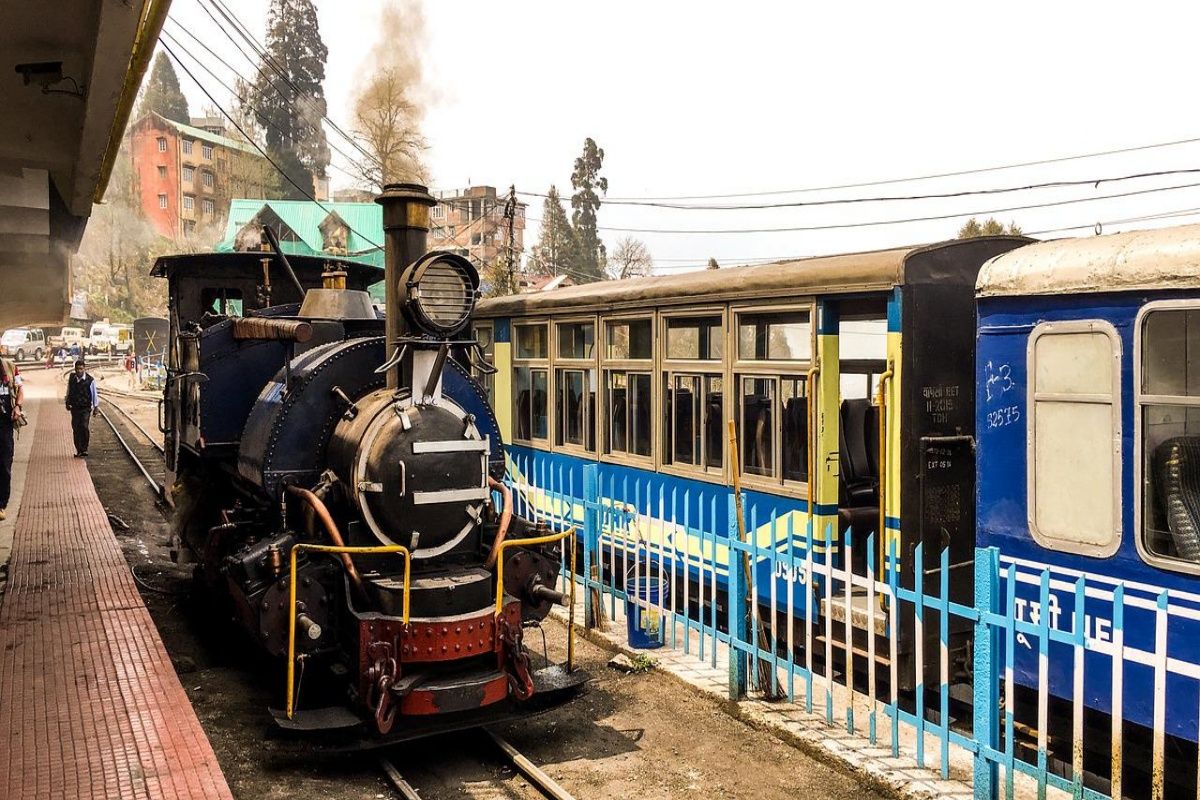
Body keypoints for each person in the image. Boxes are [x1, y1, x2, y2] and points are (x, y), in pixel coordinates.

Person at [0, 356, 24, 521]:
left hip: (4, 423)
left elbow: (20, 389)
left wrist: (17, 406)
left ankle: (1, 504)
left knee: (4, 464)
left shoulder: (10, 366)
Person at [65, 360, 98, 458]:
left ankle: (84, 448)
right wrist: (67, 402)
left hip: (85, 408)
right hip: (75, 408)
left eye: (81, 369)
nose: (79, 371)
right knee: (76, 428)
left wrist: (96, 406)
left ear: (84, 369)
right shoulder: (72, 378)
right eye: (77, 369)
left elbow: (94, 394)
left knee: (84, 426)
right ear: (75, 369)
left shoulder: (90, 380)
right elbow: (69, 390)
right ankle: (78, 449)